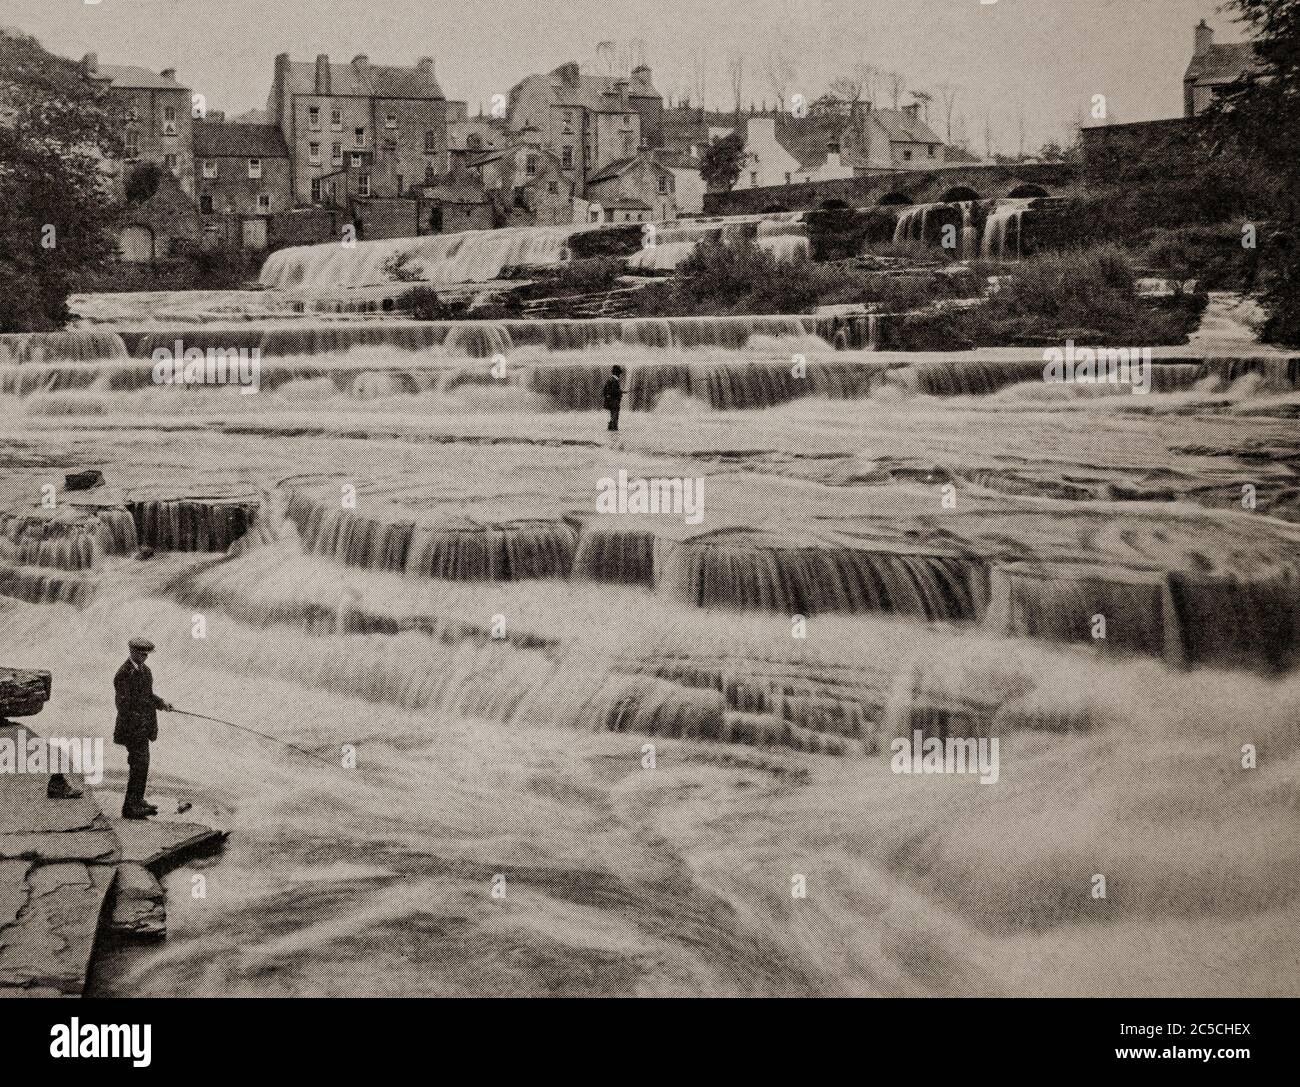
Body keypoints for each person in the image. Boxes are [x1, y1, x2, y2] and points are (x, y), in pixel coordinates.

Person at [113, 636, 172, 820]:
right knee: (138, 765)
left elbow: (147, 695)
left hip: (144, 728)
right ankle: (130, 807)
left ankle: (137, 800)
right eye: (141, 654)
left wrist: (161, 703)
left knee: (142, 765)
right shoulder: (123, 674)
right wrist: (139, 722)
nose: (145, 657)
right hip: (132, 730)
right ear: (132, 652)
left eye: (147, 655)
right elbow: (123, 706)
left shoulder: (146, 671)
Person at [602, 365, 624, 432]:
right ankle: (614, 430)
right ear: (617, 373)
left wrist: (607, 398)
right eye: (619, 373)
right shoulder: (615, 381)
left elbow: (604, 391)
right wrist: (620, 392)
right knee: (615, 416)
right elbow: (613, 391)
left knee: (612, 416)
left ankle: (611, 431)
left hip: (609, 402)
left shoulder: (609, 380)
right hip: (614, 402)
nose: (619, 375)